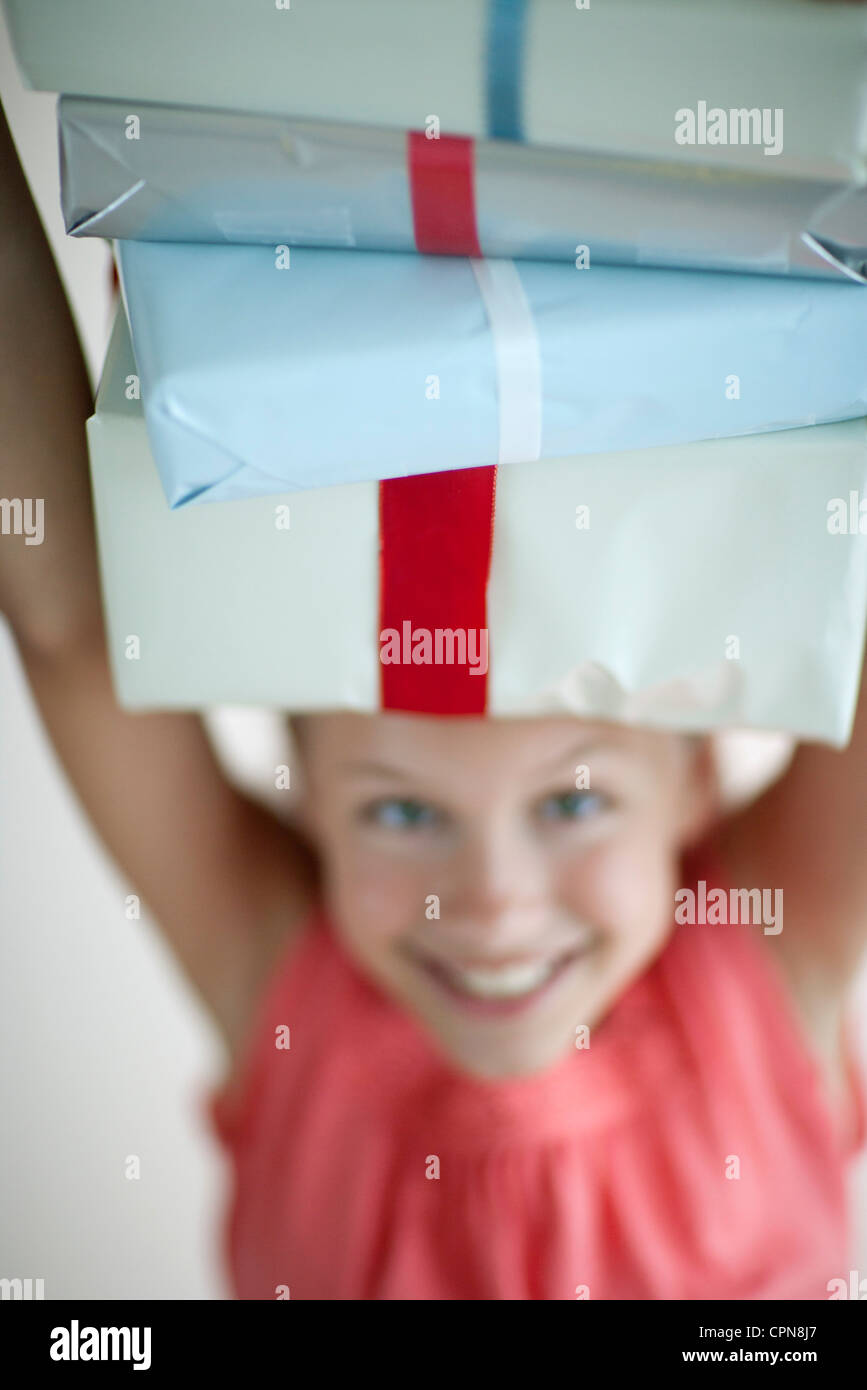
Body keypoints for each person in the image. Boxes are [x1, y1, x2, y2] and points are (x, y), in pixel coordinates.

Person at [1, 96, 865, 1301]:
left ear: (697, 776)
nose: (495, 901)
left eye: (572, 802)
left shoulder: (770, 975)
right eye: (402, 814)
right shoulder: (285, 987)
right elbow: (76, 629)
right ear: (306, 803)